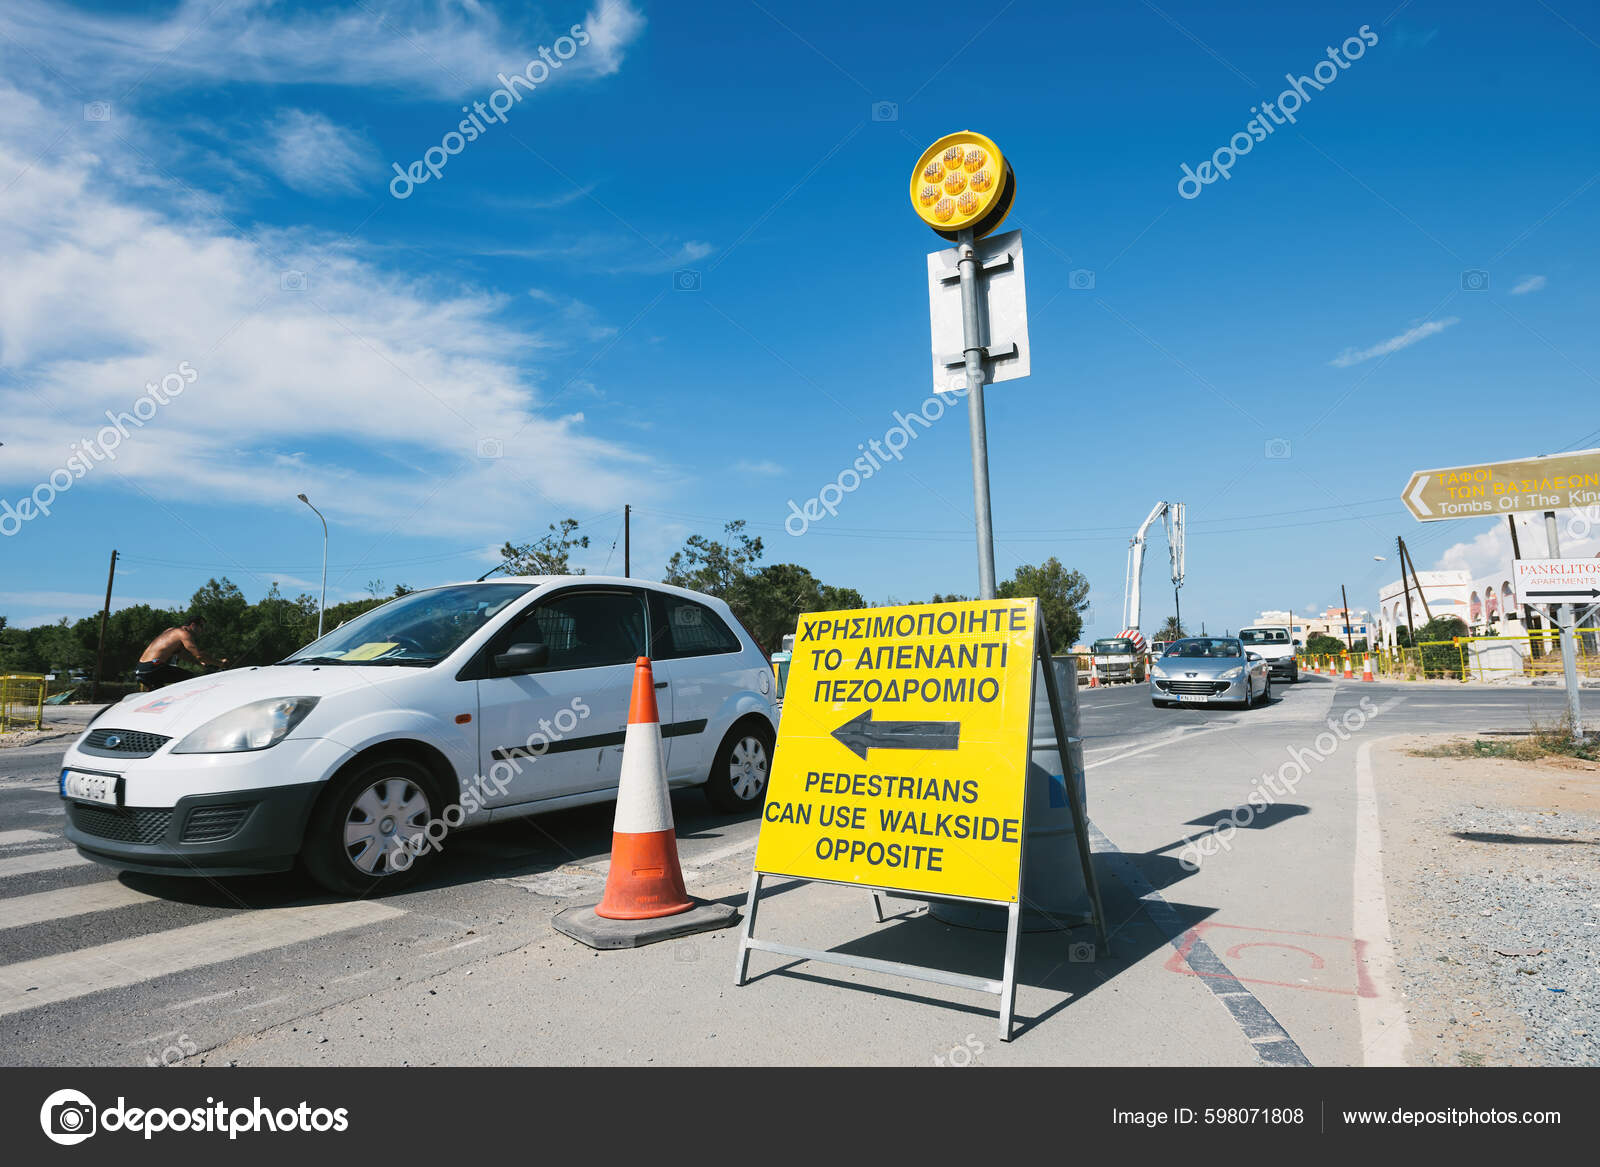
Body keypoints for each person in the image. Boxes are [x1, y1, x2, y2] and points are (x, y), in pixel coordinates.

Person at [136, 616, 227, 690]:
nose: (203, 630)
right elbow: (199, 656)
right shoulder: (184, 634)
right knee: (190, 678)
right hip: (153, 668)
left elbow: (182, 655)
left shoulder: (171, 630)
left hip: (142, 667)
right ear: (193, 625)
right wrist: (220, 663)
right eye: (201, 626)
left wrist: (199, 663)